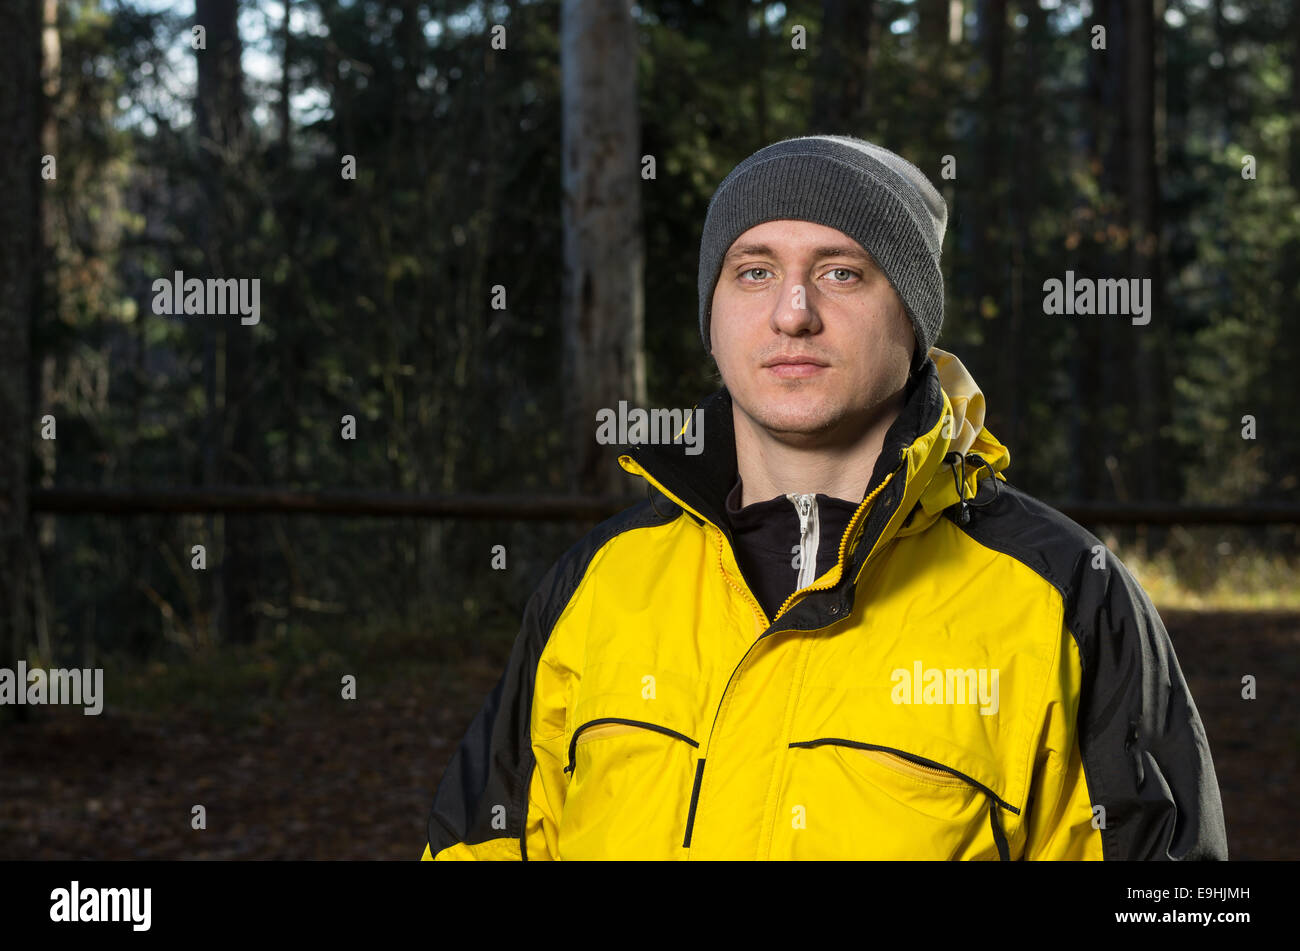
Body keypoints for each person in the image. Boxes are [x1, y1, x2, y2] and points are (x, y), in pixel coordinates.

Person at [420, 134, 1228, 860]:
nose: (793, 312)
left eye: (842, 272)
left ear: (912, 320)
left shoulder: (1066, 596)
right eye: (755, 271)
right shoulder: (597, 583)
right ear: (713, 317)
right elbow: (482, 843)